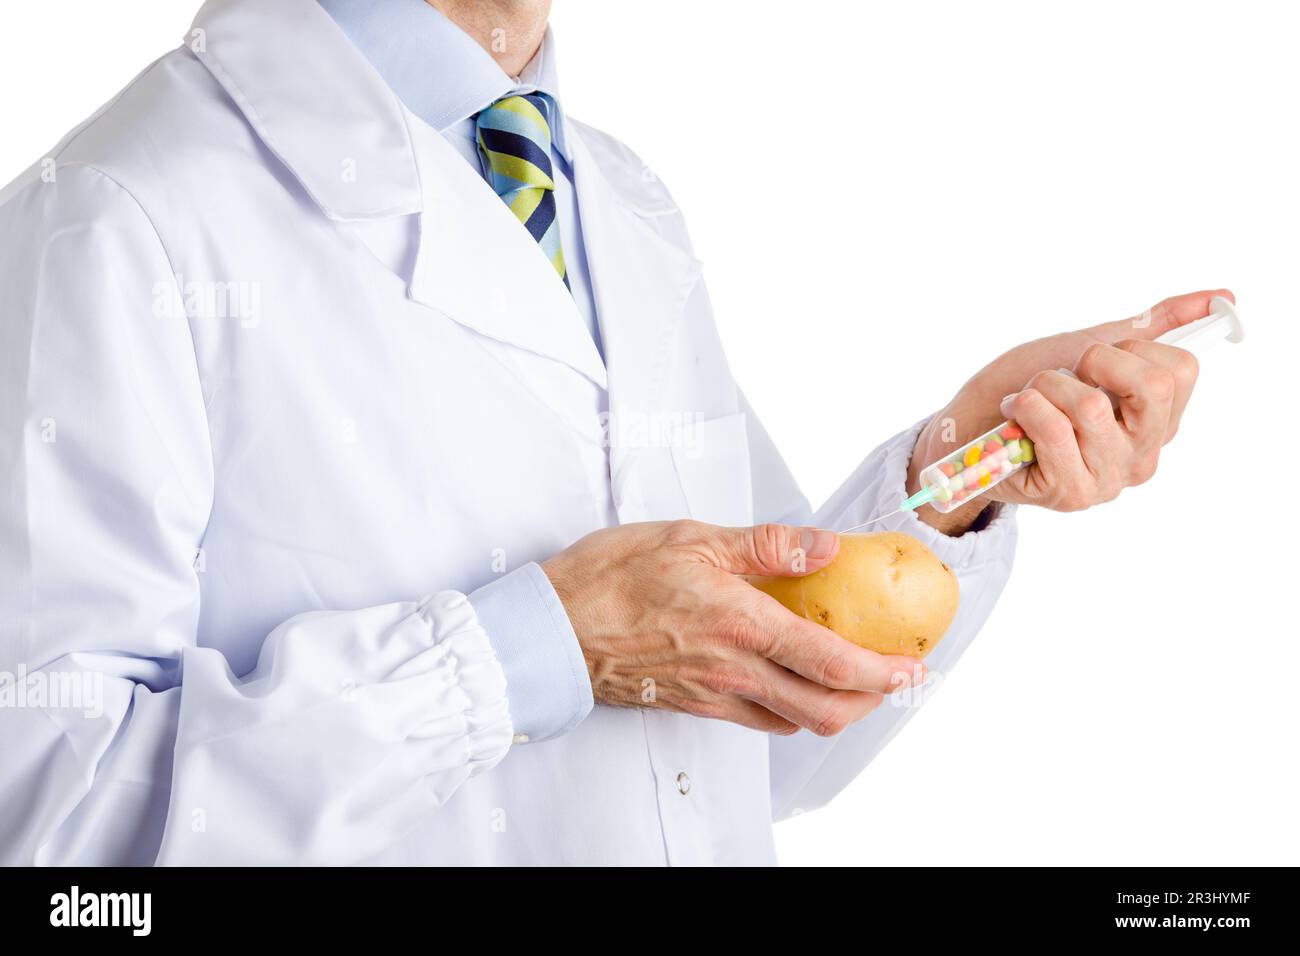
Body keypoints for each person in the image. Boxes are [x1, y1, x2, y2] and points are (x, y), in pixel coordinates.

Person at [0, 0, 1218, 865]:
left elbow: (759, 745)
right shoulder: (115, 220)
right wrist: (537, 651)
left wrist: (960, 467)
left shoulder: (618, 197)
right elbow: (53, 842)